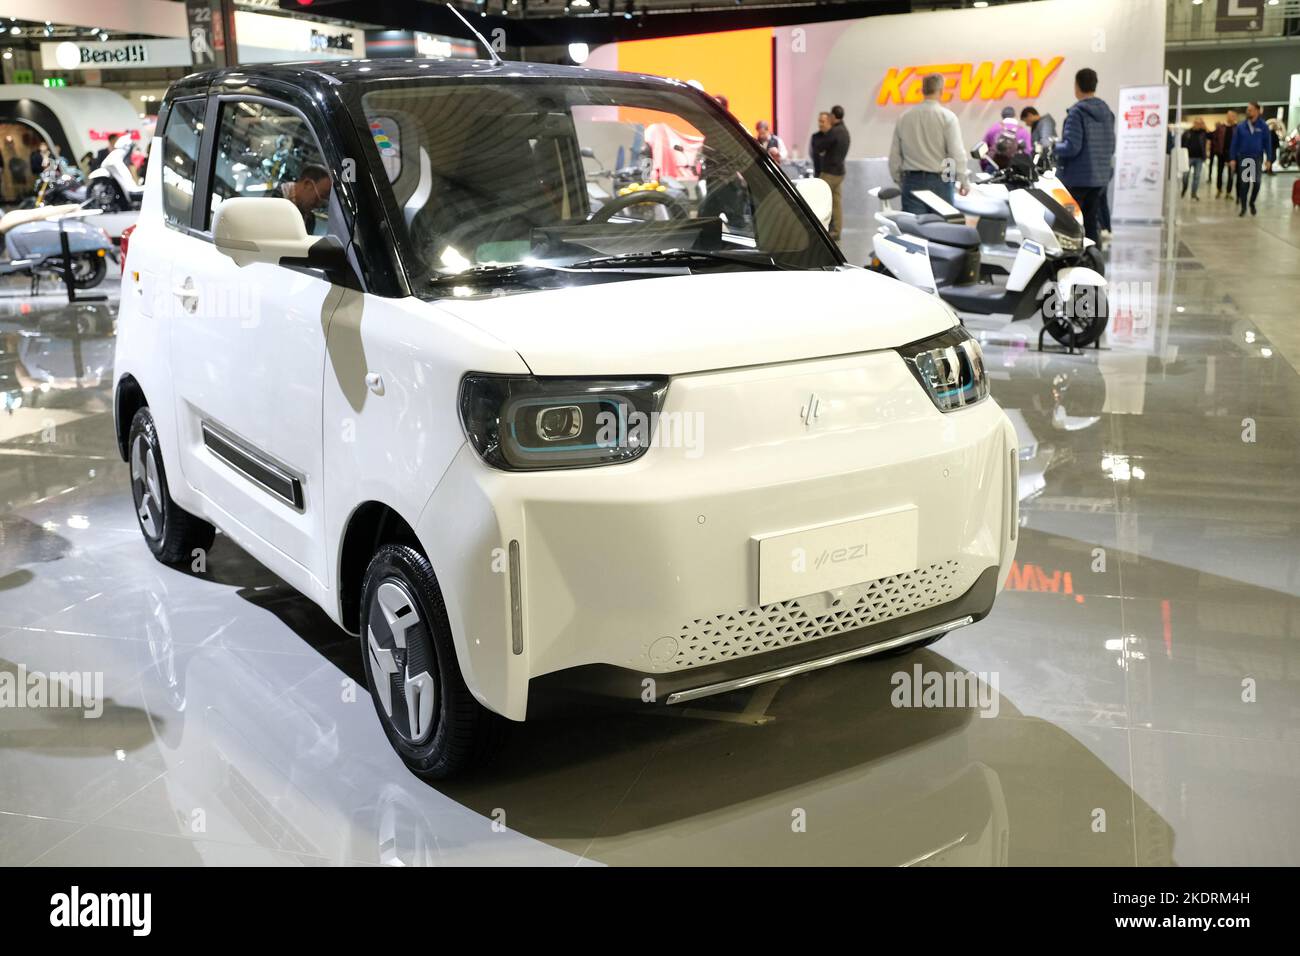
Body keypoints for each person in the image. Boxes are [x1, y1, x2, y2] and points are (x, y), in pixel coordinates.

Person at [888, 73, 969, 215]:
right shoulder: (947, 117)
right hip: (941, 181)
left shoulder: (904, 117)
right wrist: (963, 179)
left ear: (923, 90)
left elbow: (895, 155)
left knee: (914, 233)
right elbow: (956, 152)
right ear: (941, 91)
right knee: (942, 231)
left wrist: (900, 180)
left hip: (912, 180)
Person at [1054, 67, 1115, 245]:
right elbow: (1111, 145)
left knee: (1071, 223)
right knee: (1090, 221)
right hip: (1099, 178)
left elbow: (1072, 148)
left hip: (1077, 179)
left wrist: (1052, 147)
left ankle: (1074, 261)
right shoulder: (1107, 112)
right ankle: (1092, 260)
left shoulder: (1077, 113)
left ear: (1077, 86)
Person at [1229, 101, 1275, 217]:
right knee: (1244, 183)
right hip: (1244, 158)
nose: (1247, 111)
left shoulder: (1263, 126)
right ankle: (1244, 206)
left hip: (1257, 158)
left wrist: (1269, 159)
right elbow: (1234, 143)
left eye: (1250, 109)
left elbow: (1267, 143)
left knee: (1257, 183)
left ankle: (1252, 202)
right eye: (1247, 109)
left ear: (1257, 111)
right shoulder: (1241, 126)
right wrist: (1232, 159)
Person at [818, 105, 850, 241]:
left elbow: (820, 147)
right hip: (840, 172)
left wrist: (824, 133)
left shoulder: (834, 132)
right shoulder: (845, 131)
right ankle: (836, 232)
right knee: (836, 203)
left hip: (829, 172)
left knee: (818, 200)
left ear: (832, 116)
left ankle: (817, 231)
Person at [278, 163, 332, 234]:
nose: (319, 205)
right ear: (308, 185)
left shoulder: (310, 220)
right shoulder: (272, 199)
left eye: (325, 201)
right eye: (321, 196)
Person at [981, 106, 1031, 171]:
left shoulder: (993, 128)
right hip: (1015, 170)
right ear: (1014, 115)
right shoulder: (1023, 131)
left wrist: (984, 166)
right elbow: (1028, 152)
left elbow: (983, 149)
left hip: (994, 166)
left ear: (1002, 116)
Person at [1180, 117, 1209, 200]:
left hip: (1199, 158)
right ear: (1194, 123)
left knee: (1197, 176)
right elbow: (1182, 144)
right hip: (1188, 157)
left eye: (1200, 123)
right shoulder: (1187, 133)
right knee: (1185, 176)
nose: (1198, 125)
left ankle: (1193, 193)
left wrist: (1205, 126)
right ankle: (1184, 188)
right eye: (1196, 123)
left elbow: (1211, 135)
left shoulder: (1203, 133)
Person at [1210, 109, 1237, 199]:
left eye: (1232, 116)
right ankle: (1219, 189)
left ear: (1234, 117)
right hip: (1221, 153)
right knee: (1219, 172)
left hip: (1232, 154)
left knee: (1231, 173)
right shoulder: (1221, 127)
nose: (1230, 117)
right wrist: (1217, 149)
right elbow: (1215, 139)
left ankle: (1228, 192)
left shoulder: (1237, 128)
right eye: (1228, 115)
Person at [809, 111, 832, 178]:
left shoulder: (833, 137)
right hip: (818, 173)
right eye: (819, 121)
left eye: (822, 121)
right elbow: (811, 153)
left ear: (829, 122)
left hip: (831, 174)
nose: (820, 124)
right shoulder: (815, 136)